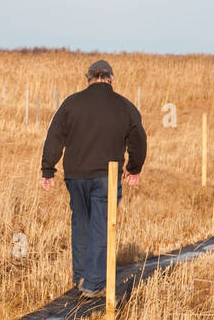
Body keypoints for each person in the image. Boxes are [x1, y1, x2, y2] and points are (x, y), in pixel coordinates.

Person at [40, 60, 147, 298]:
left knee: (81, 224)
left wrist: (48, 169)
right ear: (111, 78)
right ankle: (93, 284)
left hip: (75, 175)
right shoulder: (124, 106)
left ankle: (80, 277)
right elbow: (138, 138)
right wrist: (134, 168)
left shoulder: (71, 103)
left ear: (88, 78)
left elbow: (54, 135)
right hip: (105, 176)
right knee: (101, 226)